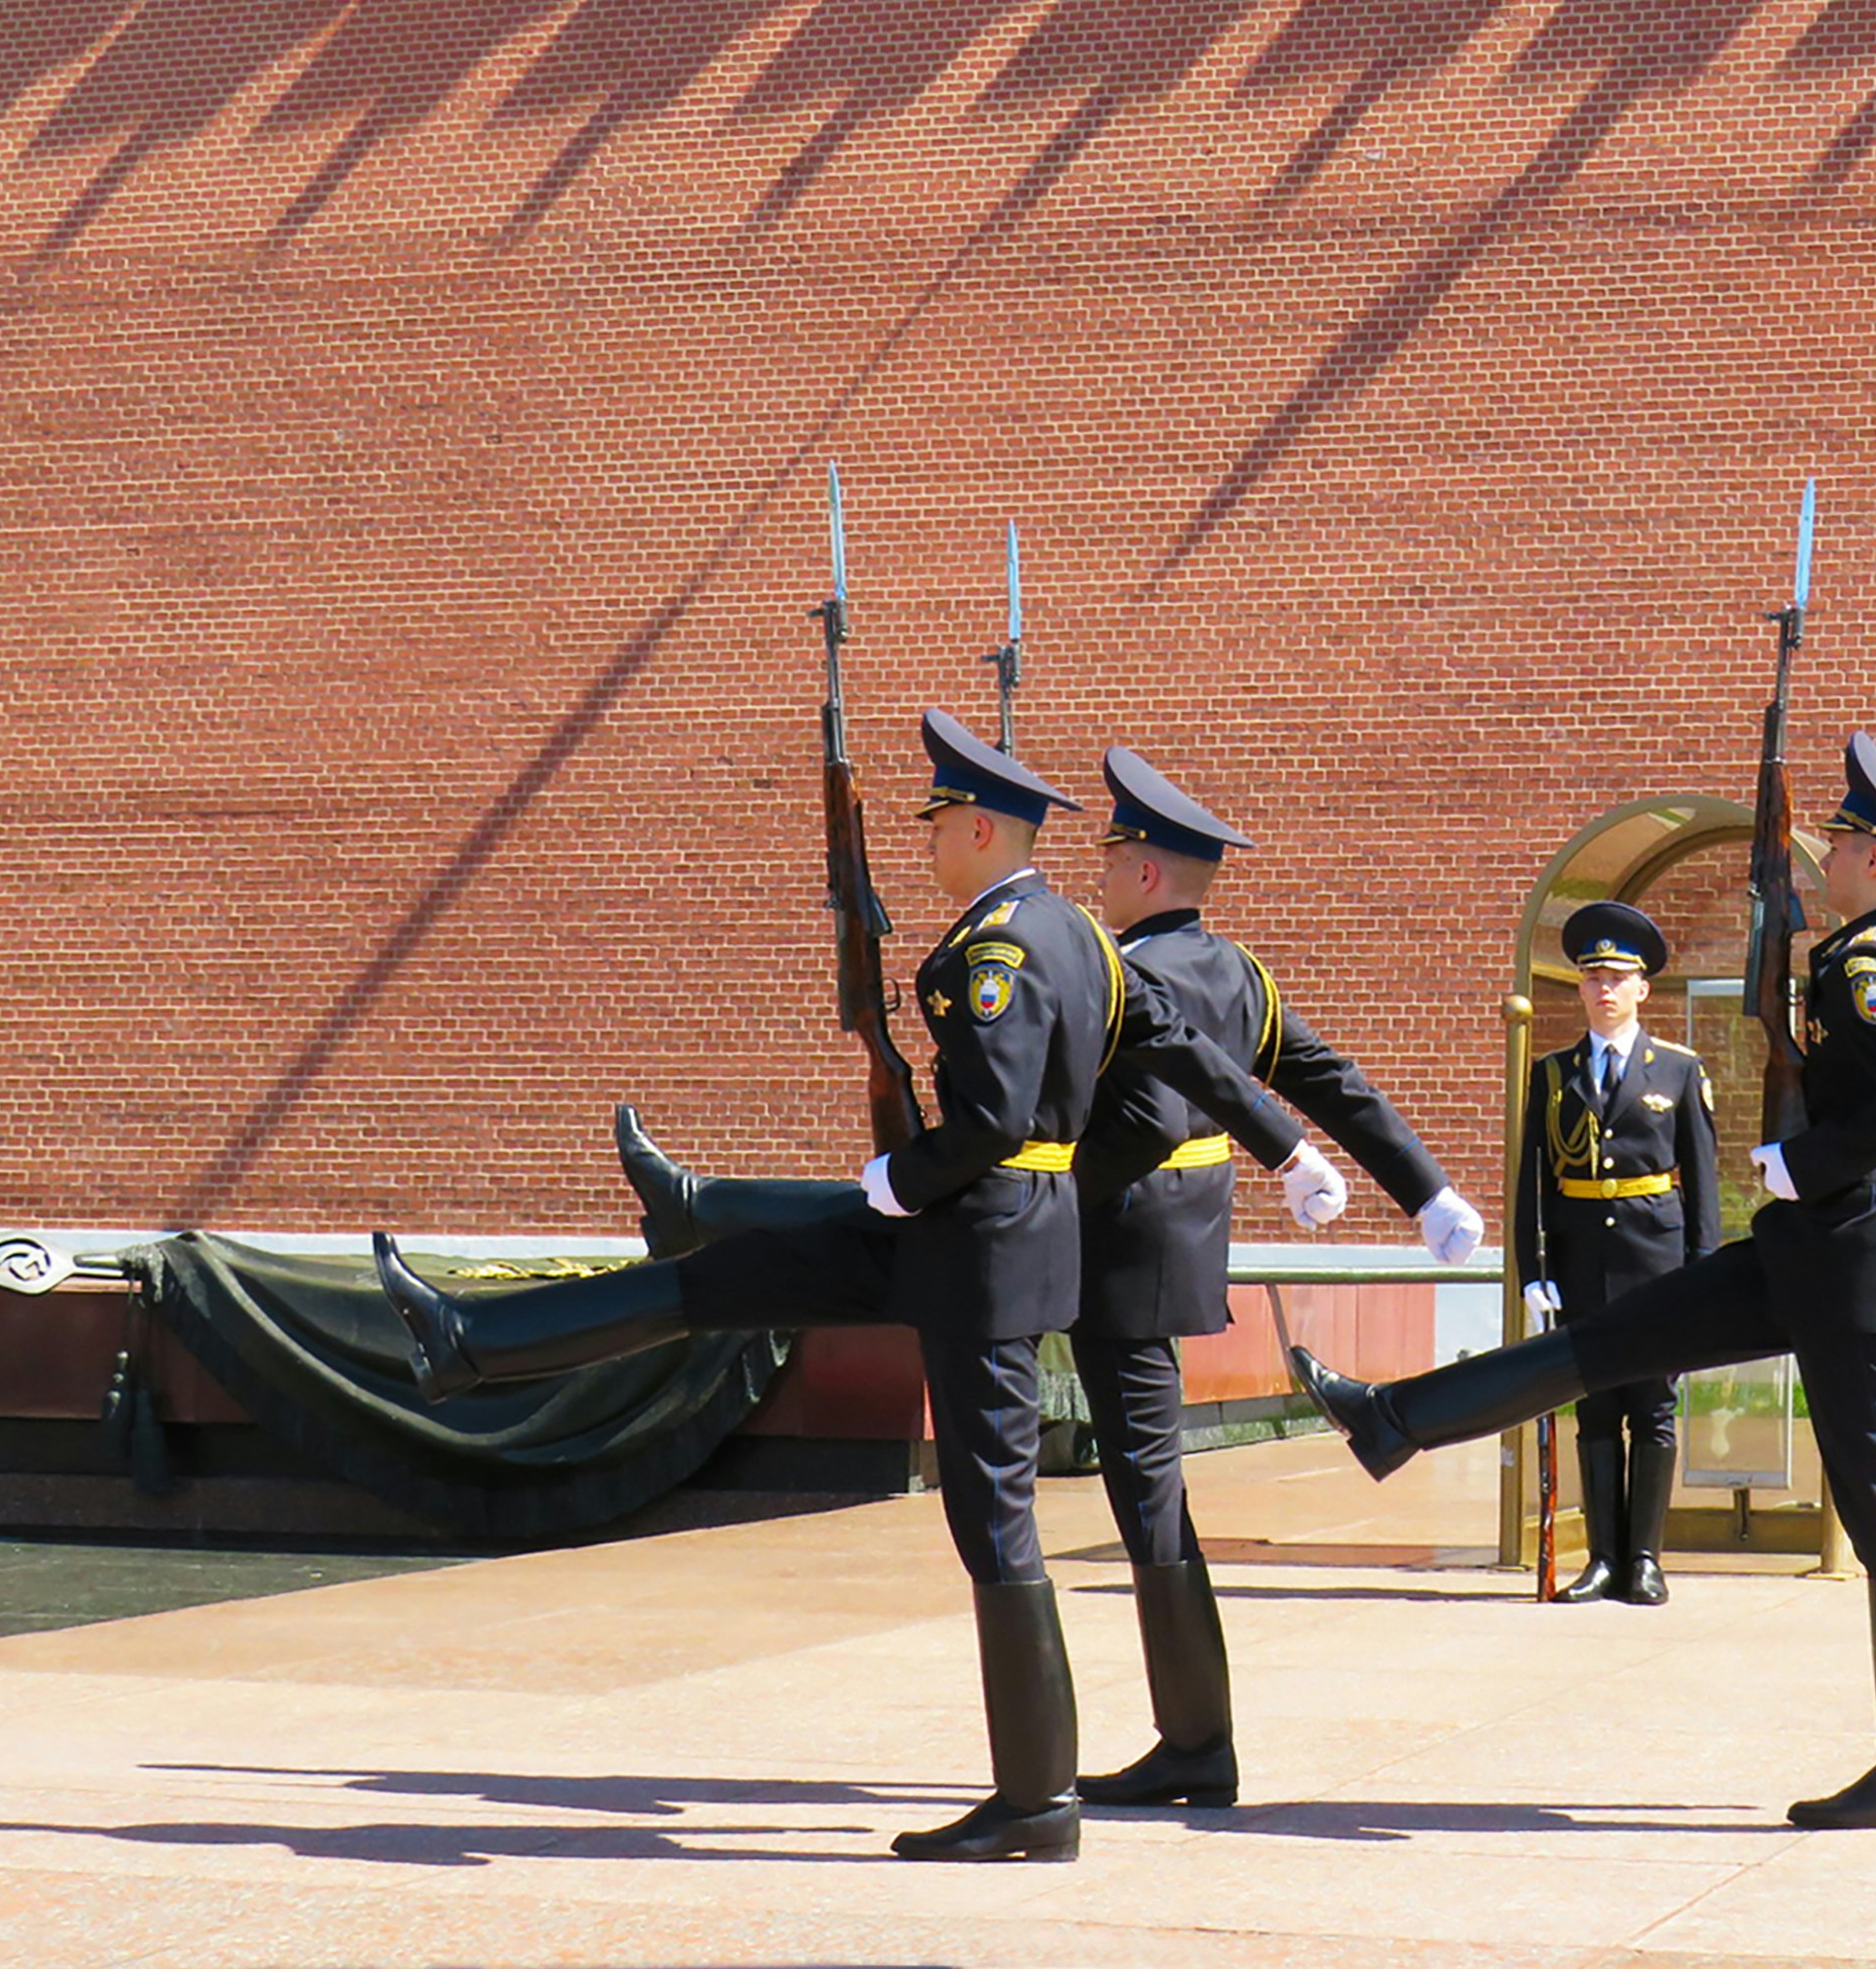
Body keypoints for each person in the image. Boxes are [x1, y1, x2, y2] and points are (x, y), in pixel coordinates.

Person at [372, 710, 1349, 1864]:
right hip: (983, 1236)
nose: (928, 842)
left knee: (995, 1517)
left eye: (938, 822)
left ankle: (1036, 1800)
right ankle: (474, 1339)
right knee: (726, 1280)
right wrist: (1287, 1147)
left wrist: (899, 1173)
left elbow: (988, 1123)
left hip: (979, 1240)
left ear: (981, 828)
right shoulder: (1082, 931)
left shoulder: (1002, 950)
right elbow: (1182, 1046)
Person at [1289, 733, 1876, 1831]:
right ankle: (1395, 1418)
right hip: (1813, 1256)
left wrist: (1797, 1159)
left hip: (1853, 1262)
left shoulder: (1875, 968)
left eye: (1845, 840)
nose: (1833, 855)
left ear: (1873, 858)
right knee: (1614, 1341)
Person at [615, 744, 1482, 1813]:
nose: (1102, 875)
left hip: (1084, 1239)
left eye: (1116, 859)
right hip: (1171, 1250)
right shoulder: (1243, 976)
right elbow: (1334, 1085)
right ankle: (1195, 1739)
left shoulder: (1128, 970)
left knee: (908, 1254)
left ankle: (702, 1207)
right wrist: (1425, 1193)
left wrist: (1012, 1186)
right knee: (1150, 1497)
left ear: (1148, 871)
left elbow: (1132, 1117)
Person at [1513, 900, 1719, 1606]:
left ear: (1642, 989)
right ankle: (1601, 1558)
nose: (1603, 988)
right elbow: (1532, 1180)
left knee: (1652, 1406)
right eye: (1592, 975)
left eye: (1616, 976)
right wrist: (1532, 1268)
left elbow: (1703, 1182)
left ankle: (1644, 1558)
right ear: (1578, 987)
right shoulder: (1551, 1073)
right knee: (1594, 1406)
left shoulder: (1679, 1071)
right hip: (1579, 1261)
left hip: (1655, 1259)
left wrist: (1703, 1274)